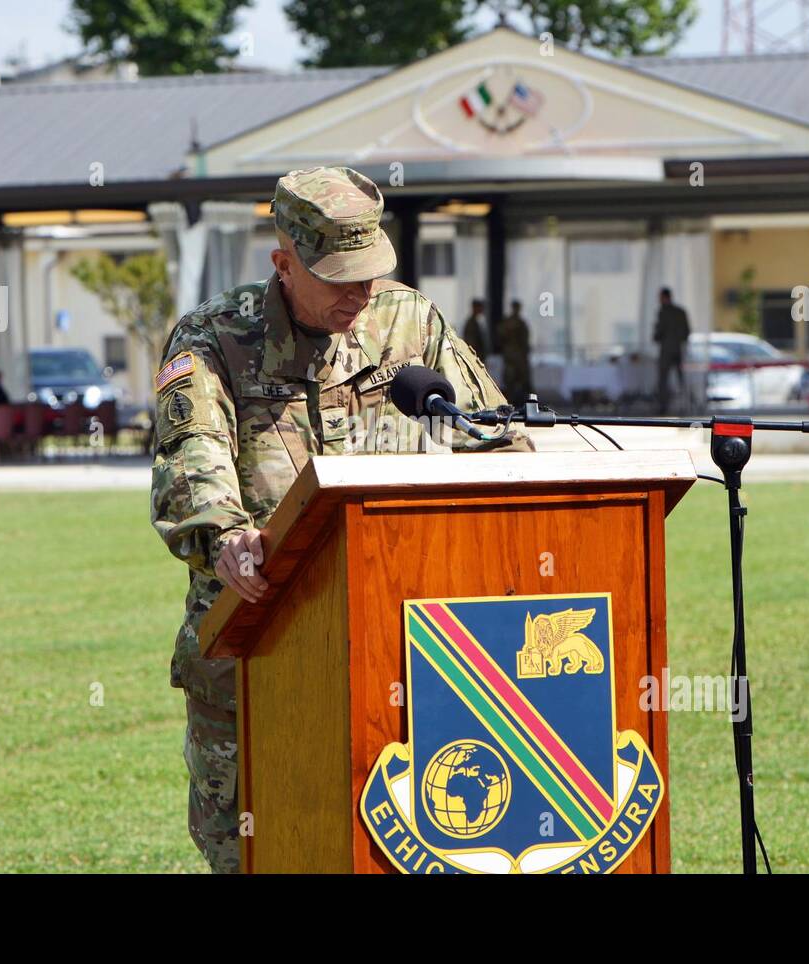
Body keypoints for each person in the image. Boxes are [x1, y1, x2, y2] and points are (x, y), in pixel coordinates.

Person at [150, 166, 531, 874]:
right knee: (254, 852)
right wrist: (229, 537)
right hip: (257, 646)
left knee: (397, 843)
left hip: (402, 646)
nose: (360, 293)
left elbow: (495, 434)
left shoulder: (409, 322)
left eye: (371, 272)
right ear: (284, 265)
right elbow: (191, 461)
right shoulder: (214, 340)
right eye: (339, 277)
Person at [653, 287, 691, 411]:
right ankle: (685, 405)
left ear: (664, 297)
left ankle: (664, 406)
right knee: (681, 379)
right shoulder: (680, 312)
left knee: (663, 380)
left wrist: (658, 337)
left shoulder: (663, 312)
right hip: (679, 349)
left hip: (667, 350)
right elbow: (687, 331)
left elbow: (659, 332)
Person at [497, 299, 533, 403]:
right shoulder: (518, 323)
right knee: (512, 382)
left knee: (516, 382)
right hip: (515, 357)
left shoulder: (509, 323)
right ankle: (515, 402)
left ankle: (514, 402)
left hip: (514, 356)